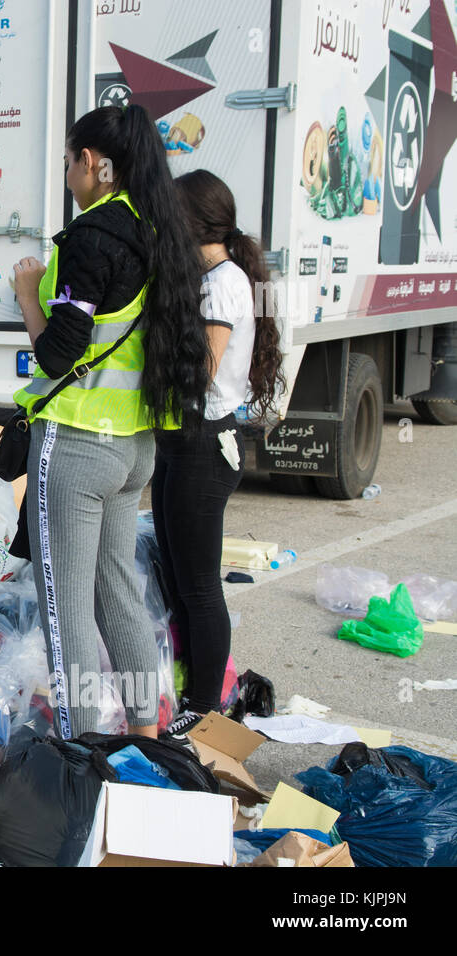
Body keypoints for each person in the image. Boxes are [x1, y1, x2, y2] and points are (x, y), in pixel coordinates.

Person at [10, 104, 212, 741]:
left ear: (95, 165)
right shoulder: (159, 235)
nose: (68, 172)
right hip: (133, 448)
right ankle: (151, 735)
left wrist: (27, 294)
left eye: (71, 160)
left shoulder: (92, 238)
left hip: (73, 444)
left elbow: (57, 352)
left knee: (64, 609)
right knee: (120, 593)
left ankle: (79, 749)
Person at [154, 171, 284, 738]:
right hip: (185, 441)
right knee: (181, 580)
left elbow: (199, 370)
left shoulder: (222, 283)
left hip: (206, 445)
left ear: (189, 222)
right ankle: (194, 691)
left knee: (200, 585)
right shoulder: (211, 276)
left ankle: (205, 707)